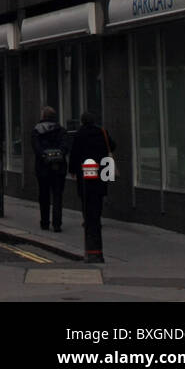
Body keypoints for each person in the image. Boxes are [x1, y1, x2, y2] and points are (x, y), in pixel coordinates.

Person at [68, 111, 116, 263]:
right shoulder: (102, 132)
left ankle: (88, 220)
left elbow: (74, 153)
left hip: (86, 173)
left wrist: (72, 170)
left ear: (82, 121)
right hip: (101, 171)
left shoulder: (80, 134)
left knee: (86, 199)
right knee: (98, 197)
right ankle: (97, 218)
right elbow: (113, 145)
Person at [31, 105, 68, 232]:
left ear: (43, 117)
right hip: (58, 168)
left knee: (44, 196)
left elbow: (36, 149)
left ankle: (45, 223)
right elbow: (65, 148)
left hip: (43, 168)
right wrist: (57, 156)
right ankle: (57, 224)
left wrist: (45, 156)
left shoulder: (36, 131)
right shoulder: (61, 130)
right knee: (58, 196)